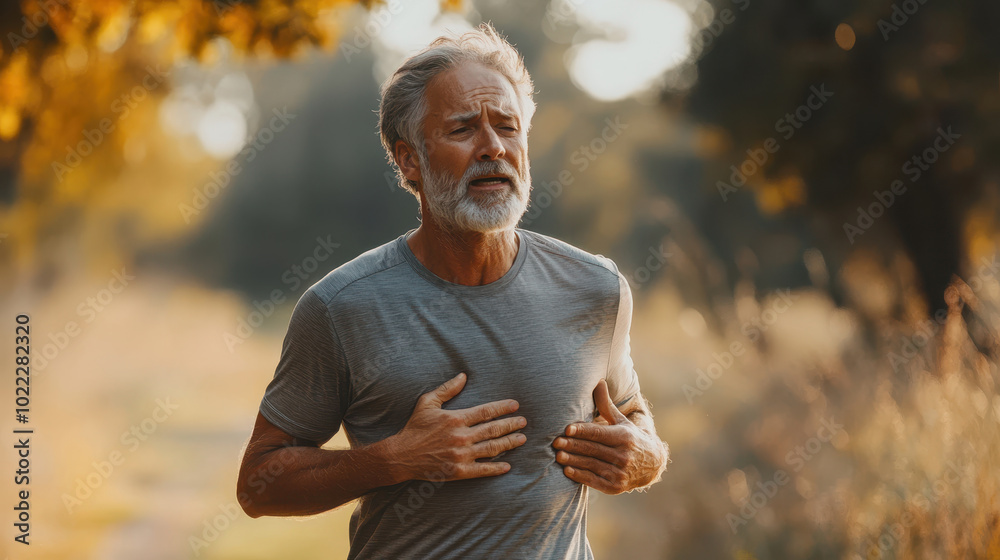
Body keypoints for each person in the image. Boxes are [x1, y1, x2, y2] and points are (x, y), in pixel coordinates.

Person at [237, 22, 669, 559]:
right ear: (409, 160)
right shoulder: (340, 307)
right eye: (463, 129)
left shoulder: (596, 288)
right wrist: (394, 459)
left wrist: (647, 456)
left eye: (508, 128)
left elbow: (627, 409)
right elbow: (259, 483)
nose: (493, 148)